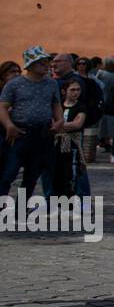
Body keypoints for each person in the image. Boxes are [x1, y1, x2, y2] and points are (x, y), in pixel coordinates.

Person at [0, 46, 63, 198]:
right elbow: (2, 106)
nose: (46, 65)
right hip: (21, 133)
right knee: (9, 173)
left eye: (46, 62)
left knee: (32, 176)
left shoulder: (51, 84)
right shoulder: (14, 84)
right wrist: (9, 125)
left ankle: (20, 211)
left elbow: (56, 104)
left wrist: (59, 121)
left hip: (42, 133)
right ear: (31, 64)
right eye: (41, 62)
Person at [53, 79, 87, 200]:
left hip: (73, 143)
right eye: (72, 90)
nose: (76, 92)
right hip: (56, 143)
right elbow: (52, 122)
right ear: (64, 91)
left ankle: (76, 199)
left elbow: (77, 124)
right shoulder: (58, 105)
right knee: (56, 172)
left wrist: (59, 126)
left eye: (78, 90)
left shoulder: (81, 106)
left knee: (73, 172)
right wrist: (60, 126)